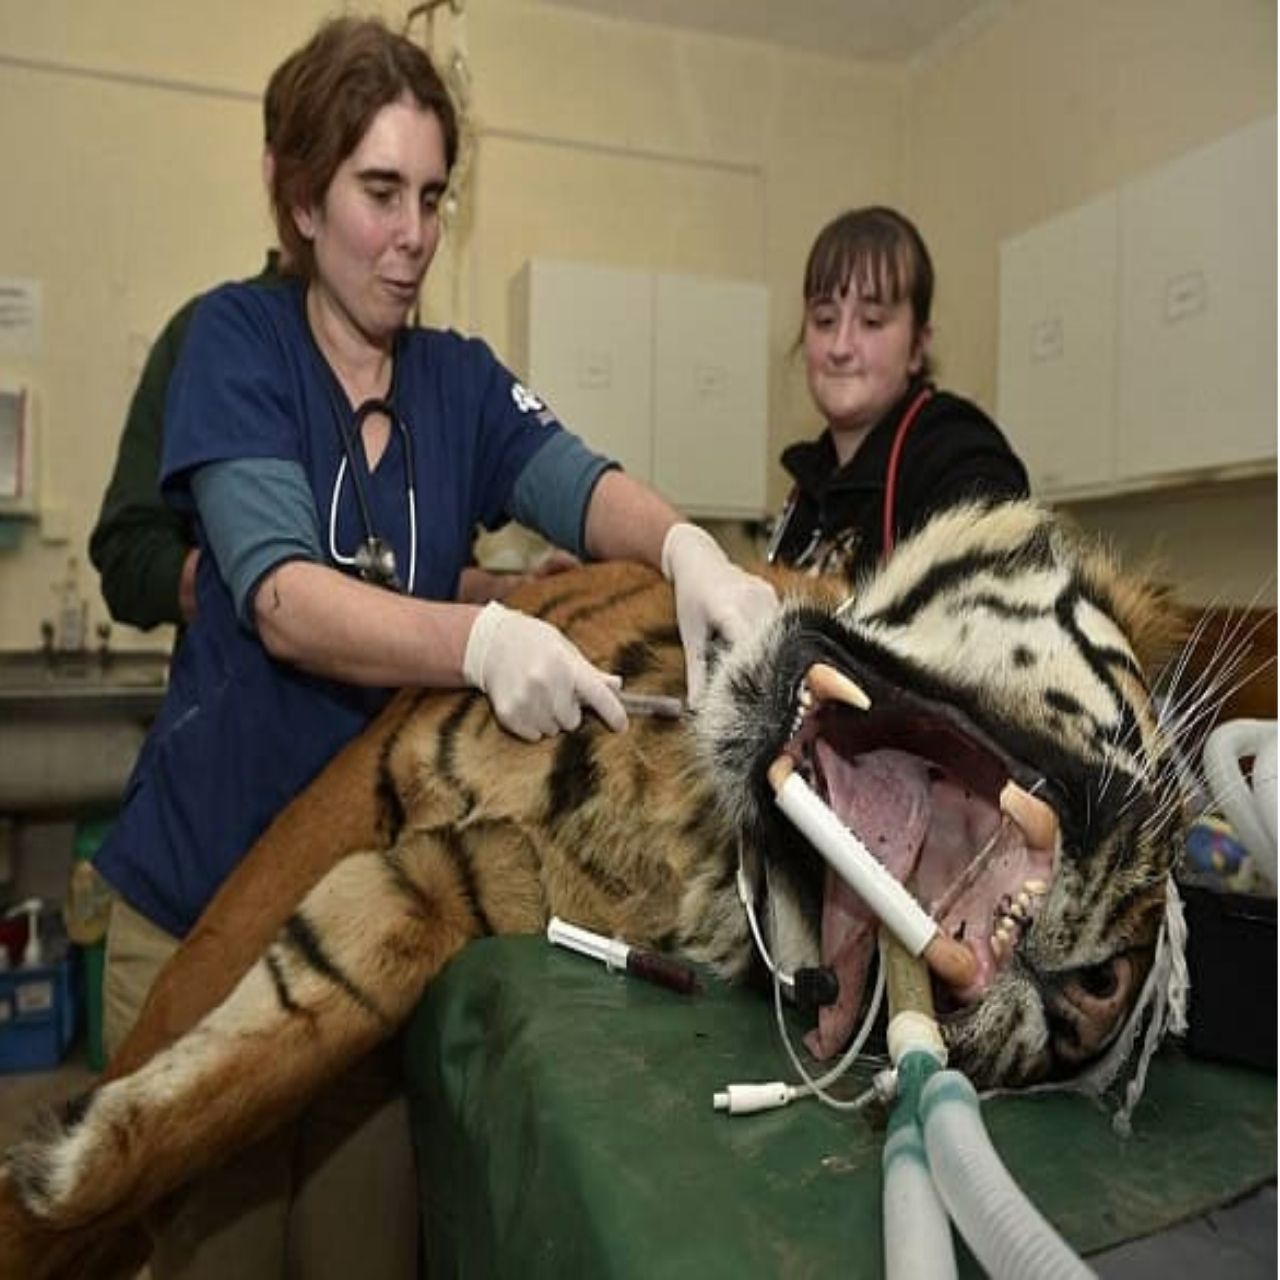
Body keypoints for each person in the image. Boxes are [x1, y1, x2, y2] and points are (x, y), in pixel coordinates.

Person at [92, 16, 775, 1279]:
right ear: (298, 195)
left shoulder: (453, 376)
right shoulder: (235, 344)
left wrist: (687, 550)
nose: (413, 235)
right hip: (203, 918)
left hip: (360, 927)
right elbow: (288, 596)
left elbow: (572, 479)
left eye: (433, 197)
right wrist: (478, 633)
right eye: (378, 193)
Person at [767, 205, 1029, 579]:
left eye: (871, 321)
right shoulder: (807, 489)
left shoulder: (958, 454)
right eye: (824, 320)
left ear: (917, 347)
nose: (840, 347)